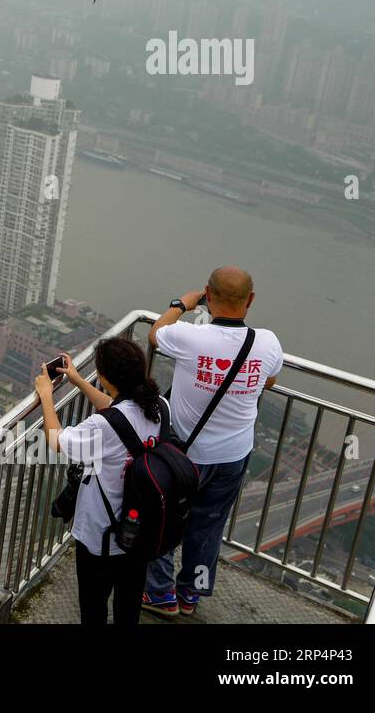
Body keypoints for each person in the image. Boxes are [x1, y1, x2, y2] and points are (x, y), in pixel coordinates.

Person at [141, 266, 283, 618]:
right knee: (207, 527)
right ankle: (191, 594)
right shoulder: (267, 342)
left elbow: (156, 335)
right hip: (234, 455)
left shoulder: (191, 337)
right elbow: (269, 381)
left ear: (208, 294)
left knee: (162, 516)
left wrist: (182, 303)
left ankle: (160, 594)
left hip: (186, 454)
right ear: (250, 300)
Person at [36, 338, 168, 625]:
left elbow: (57, 441)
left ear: (106, 377)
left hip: (102, 536)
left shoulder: (102, 427)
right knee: (128, 607)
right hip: (141, 530)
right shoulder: (159, 407)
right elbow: (117, 410)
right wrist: (78, 381)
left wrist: (47, 396)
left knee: (94, 608)